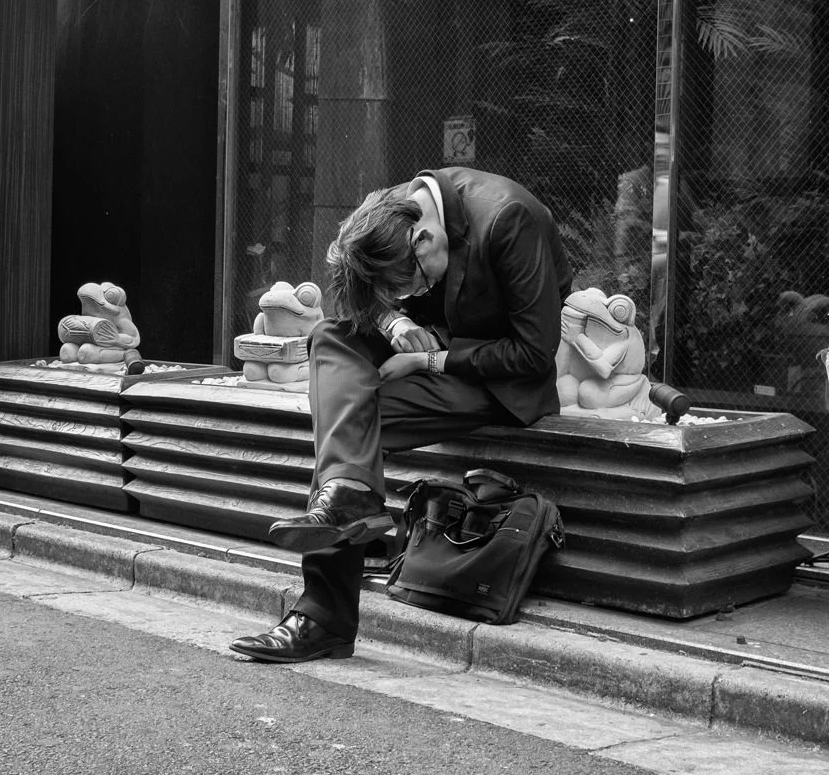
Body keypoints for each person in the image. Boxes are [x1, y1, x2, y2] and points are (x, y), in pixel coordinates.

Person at [229, 166, 572, 663]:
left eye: (414, 283)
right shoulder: (386, 209)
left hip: (494, 376)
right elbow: (350, 287)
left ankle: (325, 612)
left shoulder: (508, 219)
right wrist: (393, 321)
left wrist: (429, 360)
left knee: (347, 418)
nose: (415, 294)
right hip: (423, 354)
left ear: (424, 239)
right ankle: (350, 496)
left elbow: (534, 353)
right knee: (331, 339)